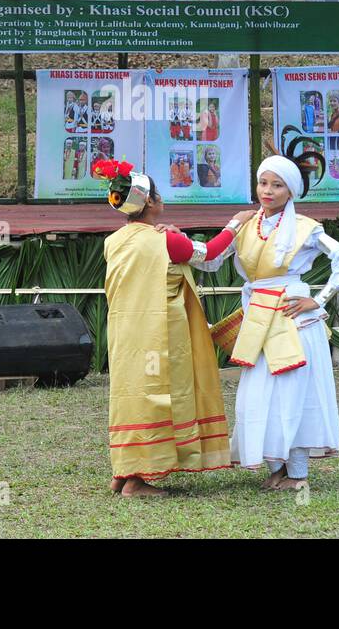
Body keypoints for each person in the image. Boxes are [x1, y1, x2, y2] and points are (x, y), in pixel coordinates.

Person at [194, 152, 339, 491]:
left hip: (291, 315)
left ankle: (297, 474)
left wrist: (318, 299)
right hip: (257, 317)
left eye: (277, 185)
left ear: (291, 191)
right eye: (263, 183)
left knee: (293, 392)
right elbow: (208, 261)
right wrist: (174, 238)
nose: (267, 191)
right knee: (260, 393)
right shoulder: (246, 224)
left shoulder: (305, 228)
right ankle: (276, 467)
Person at [97, 159, 236, 497]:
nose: (161, 199)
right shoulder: (164, 242)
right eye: (157, 195)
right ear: (149, 202)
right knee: (157, 395)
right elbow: (209, 252)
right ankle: (138, 481)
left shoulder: (114, 240)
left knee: (130, 394)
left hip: (125, 333)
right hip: (159, 331)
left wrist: (173, 234)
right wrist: (236, 225)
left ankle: (124, 470)